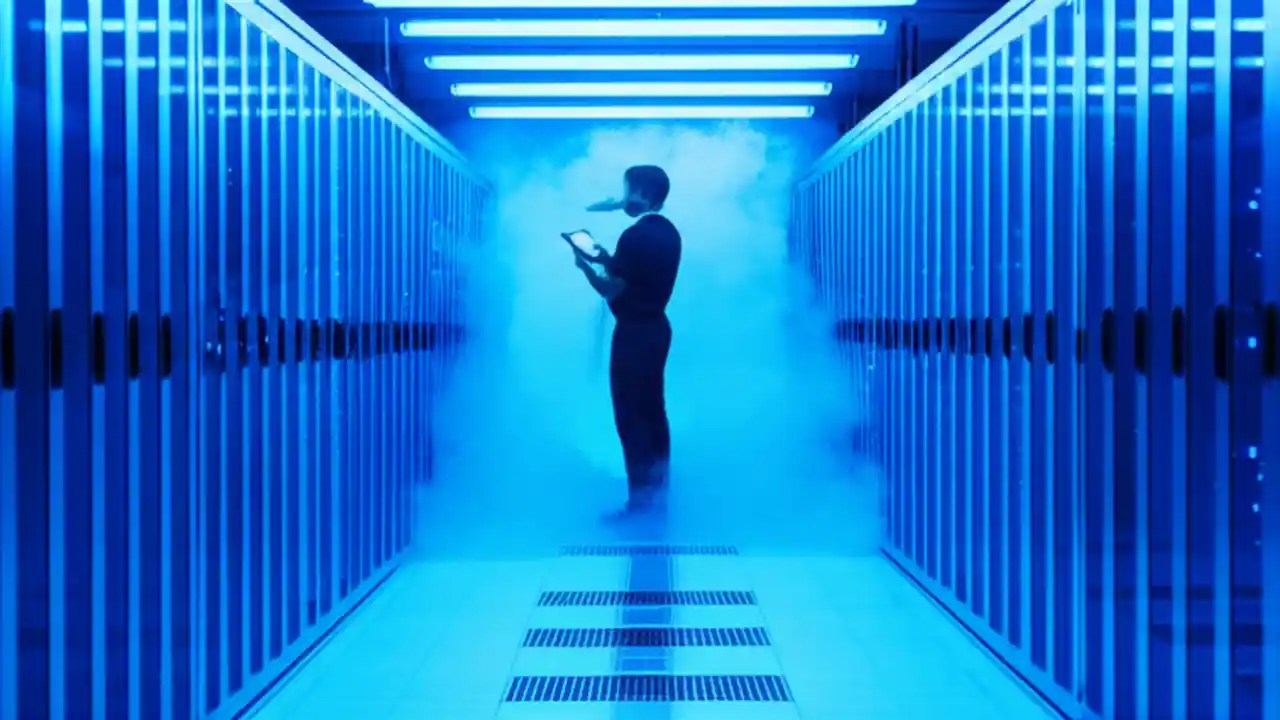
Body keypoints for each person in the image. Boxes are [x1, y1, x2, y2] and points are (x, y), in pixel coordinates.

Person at [573, 165, 682, 516]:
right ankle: (660, 495)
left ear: (644, 194)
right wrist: (608, 258)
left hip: (633, 333)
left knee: (630, 417)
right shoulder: (669, 233)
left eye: (627, 191)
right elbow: (636, 273)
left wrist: (585, 266)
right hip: (657, 329)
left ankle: (639, 504)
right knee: (654, 413)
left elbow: (611, 288)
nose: (623, 199)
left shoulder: (634, 237)